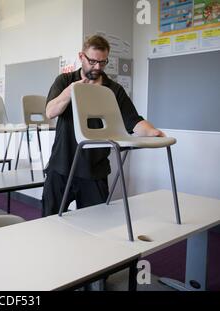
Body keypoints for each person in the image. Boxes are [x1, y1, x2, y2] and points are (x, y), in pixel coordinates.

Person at [42, 35, 165, 216]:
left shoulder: (113, 90)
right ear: (81, 56)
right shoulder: (64, 81)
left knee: (96, 225)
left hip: (94, 170)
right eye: (92, 61)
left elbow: (134, 121)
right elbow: (50, 112)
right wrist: (71, 91)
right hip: (61, 165)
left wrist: (153, 132)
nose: (97, 67)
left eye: (102, 62)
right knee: (48, 222)